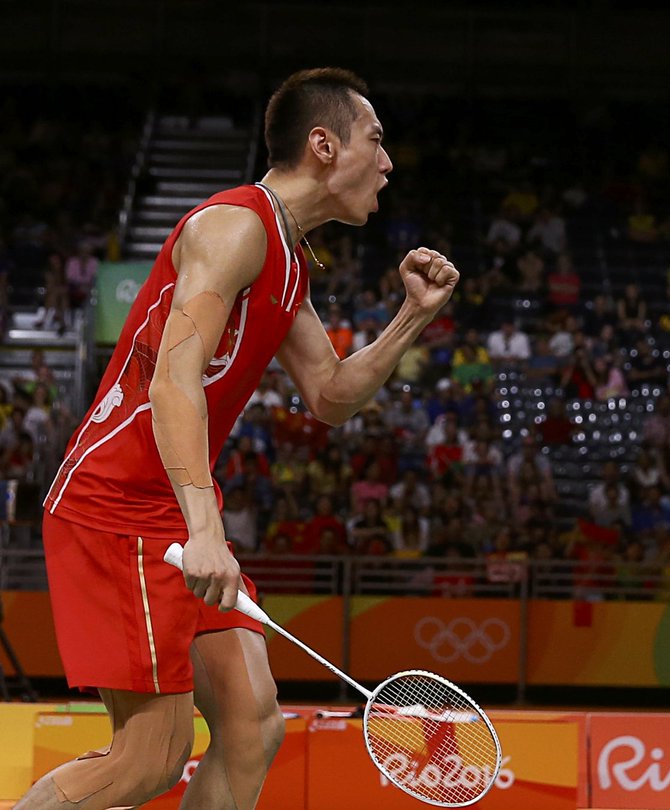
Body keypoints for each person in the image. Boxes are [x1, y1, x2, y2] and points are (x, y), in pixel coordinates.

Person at [22, 68, 459, 810]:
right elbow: (172, 381)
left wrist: (412, 316)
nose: (388, 163)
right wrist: (205, 531)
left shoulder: (287, 259)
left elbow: (331, 395)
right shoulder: (232, 227)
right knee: (147, 760)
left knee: (253, 726)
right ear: (324, 145)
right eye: (376, 140)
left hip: (174, 509)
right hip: (116, 507)